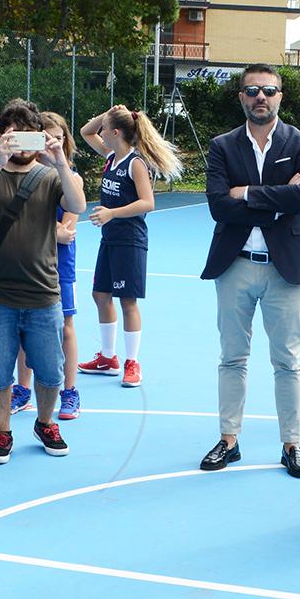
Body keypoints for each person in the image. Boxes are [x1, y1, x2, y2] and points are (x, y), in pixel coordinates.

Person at [198, 63, 300, 477]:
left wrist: (246, 193)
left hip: (285, 270)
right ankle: (229, 440)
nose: (260, 97)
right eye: (252, 91)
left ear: (280, 96)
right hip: (236, 265)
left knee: (288, 360)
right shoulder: (222, 145)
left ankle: (292, 444)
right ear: (242, 98)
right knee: (233, 357)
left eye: (268, 90)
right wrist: (277, 197)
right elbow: (218, 203)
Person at [0, 99, 87, 464]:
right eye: (11, 134)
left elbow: (77, 205)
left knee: (51, 372)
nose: (18, 143)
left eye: (25, 135)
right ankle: (2, 432)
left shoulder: (49, 177)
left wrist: (60, 160)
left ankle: (45, 423)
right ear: (2, 135)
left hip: (44, 294)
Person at [77, 104, 182, 388]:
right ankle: (108, 358)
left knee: (128, 301)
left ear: (115, 133)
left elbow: (148, 203)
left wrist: (112, 212)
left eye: (105, 128)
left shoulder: (135, 163)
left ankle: (132, 362)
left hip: (130, 240)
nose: (100, 131)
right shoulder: (111, 156)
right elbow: (86, 131)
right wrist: (107, 113)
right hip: (110, 239)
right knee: (100, 295)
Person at [11, 111, 84, 420]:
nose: (53, 142)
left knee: (66, 327)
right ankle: (22, 390)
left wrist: (35, 227)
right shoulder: (24, 175)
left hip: (59, 266)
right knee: (22, 328)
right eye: (46, 137)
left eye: (58, 137)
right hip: (26, 262)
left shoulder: (71, 179)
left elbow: (67, 233)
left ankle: (70, 392)